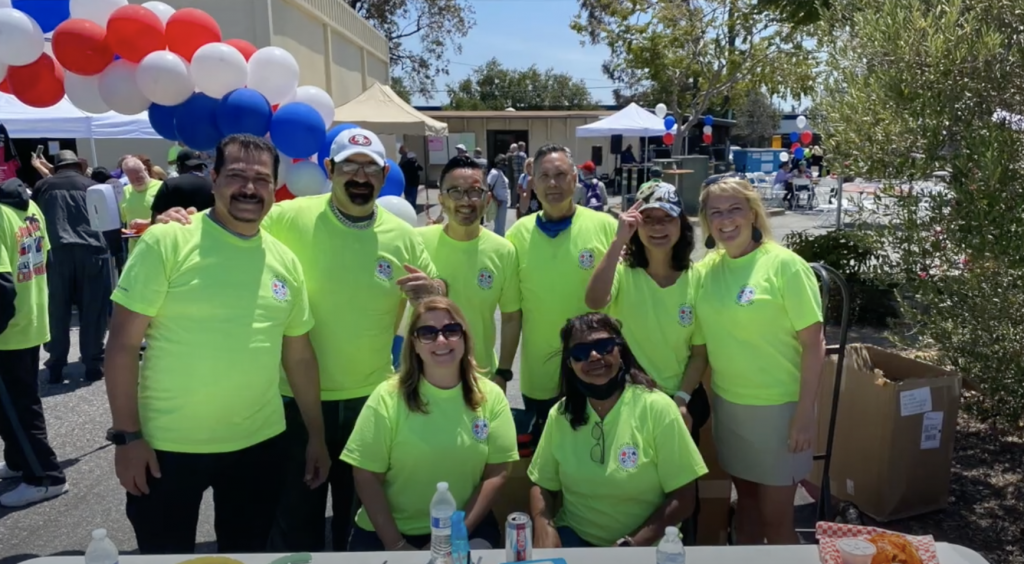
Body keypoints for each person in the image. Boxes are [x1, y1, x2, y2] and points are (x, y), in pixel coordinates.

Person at [104, 134, 329, 555]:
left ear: (274, 187)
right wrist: (128, 438)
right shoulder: (167, 241)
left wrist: (316, 437)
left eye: (261, 179)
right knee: (166, 557)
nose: (249, 188)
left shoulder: (285, 261)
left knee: (245, 555)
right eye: (237, 175)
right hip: (166, 448)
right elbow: (120, 346)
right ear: (214, 178)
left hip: (259, 447)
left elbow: (298, 355)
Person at [695, 174, 825, 545]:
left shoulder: (785, 266)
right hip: (730, 408)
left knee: (776, 521)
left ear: (753, 213)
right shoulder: (706, 270)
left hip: (779, 412)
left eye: (735, 209)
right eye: (715, 212)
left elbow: (814, 343)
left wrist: (804, 414)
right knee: (746, 507)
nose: (725, 219)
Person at [343, 297, 518, 550]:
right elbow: (366, 474)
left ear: (465, 337)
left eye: (451, 330)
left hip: (464, 527)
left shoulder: (491, 396)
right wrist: (397, 546)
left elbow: (498, 472)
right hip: (388, 532)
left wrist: (450, 538)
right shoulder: (387, 396)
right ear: (414, 343)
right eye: (427, 333)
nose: (441, 340)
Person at [528, 313, 707, 548]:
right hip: (575, 537)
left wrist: (630, 545)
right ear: (570, 363)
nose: (593, 356)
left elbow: (683, 499)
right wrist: (544, 526)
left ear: (620, 352)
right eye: (580, 353)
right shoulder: (560, 414)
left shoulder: (658, 407)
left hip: (644, 544)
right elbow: (542, 484)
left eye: (604, 346)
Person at [505, 144, 617, 441]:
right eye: (544, 176)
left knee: (596, 455)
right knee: (547, 464)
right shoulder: (517, 234)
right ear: (532, 182)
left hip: (597, 368)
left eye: (560, 174)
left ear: (575, 178)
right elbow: (511, 313)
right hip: (540, 376)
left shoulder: (605, 227)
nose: (552, 183)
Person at [584, 183, 708, 425]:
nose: (658, 226)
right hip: (628, 399)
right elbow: (594, 301)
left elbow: (699, 353)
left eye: (667, 217)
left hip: (678, 399)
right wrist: (619, 240)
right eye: (648, 218)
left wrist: (681, 401)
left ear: (681, 224)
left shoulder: (696, 278)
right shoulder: (622, 270)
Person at [417, 155, 521, 391]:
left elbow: (511, 317)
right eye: (456, 192)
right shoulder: (417, 242)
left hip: (480, 376)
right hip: (424, 379)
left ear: (487, 199)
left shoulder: (503, 250)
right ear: (441, 200)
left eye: (475, 191)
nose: (466, 200)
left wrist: (503, 373)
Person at [0, 178, 69, 508]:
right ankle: (19, 461)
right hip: (30, 318)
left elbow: (1, 286)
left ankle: (45, 476)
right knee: (14, 403)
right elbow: (46, 259)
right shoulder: (29, 204)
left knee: (18, 406)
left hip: (8, 330)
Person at [31, 150, 111, 384]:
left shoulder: (43, 186)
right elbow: (109, 222)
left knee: (57, 310)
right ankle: (93, 364)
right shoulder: (93, 185)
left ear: (56, 167)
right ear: (77, 165)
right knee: (93, 311)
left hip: (55, 252)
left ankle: (56, 365)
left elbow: (33, 218)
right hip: (92, 251)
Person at [149, 149, 214, 221]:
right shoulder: (215, 185)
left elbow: (155, 218)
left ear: (179, 166)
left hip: (176, 230)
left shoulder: (170, 184)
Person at [120, 157, 163, 253]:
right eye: (131, 180)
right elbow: (120, 219)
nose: (136, 182)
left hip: (158, 247)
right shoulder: (125, 191)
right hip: (135, 250)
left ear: (145, 170)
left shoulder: (162, 187)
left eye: (139, 177)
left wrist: (147, 222)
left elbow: (170, 216)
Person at [486, 154, 510, 236]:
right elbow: (488, 187)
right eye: (504, 162)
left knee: (501, 225)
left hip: (503, 202)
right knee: (499, 226)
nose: (505, 164)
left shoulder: (500, 172)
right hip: (499, 202)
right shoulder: (494, 173)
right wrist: (496, 200)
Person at [398, 145, 423, 211]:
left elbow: (400, 168)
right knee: (413, 195)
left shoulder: (405, 162)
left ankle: (409, 207)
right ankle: (413, 207)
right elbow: (421, 169)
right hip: (414, 182)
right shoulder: (415, 163)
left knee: (408, 195)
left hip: (407, 181)